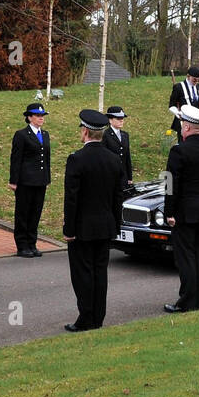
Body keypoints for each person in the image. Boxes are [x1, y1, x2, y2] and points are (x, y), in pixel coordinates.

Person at [63, 110, 126, 331]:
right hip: (106, 225)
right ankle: (98, 316)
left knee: (83, 274)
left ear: (86, 131)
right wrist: (116, 224)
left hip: (82, 228)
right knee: (100, 272)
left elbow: (72, 198)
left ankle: (86, 317)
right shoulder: (114, 160)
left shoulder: (76, 159)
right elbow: (118, 196)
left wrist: (68, 229)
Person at [162, 105, 199, 313]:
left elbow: (170, 183)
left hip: (185, 212)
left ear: (186, 127)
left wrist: (169, 211)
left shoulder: (178, 151)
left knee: (185, 257)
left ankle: (187, 299)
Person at [9, 102, 51, 258]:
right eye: (37, 116)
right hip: (25, 180)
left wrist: (47, 177)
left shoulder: (45, 134)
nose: (41, 118)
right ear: (29, 117)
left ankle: (32, 243)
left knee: (35, 213)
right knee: (23, 213)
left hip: (40, 180)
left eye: (42, 116)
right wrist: (13, 180)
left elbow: (46, 158)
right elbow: (16, 159)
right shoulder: (21, 135)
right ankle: (22, 245)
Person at [168, 67, 199, 144]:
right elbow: (171, 105)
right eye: (194, 80)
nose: (196, 82)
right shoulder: (178, 87)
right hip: (183, 122)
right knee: (183, 144)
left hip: (196, 122)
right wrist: (178, 114)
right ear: (188, 76)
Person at [101, 105, 133, 190]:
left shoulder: (125, 135)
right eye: (118, 118)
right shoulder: (105, 135)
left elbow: (127, 157)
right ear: (110, 120)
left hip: (123, 176)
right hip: (110, 175)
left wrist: (129, 177)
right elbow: (103, 157)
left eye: (122, 118)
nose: (121, 120)